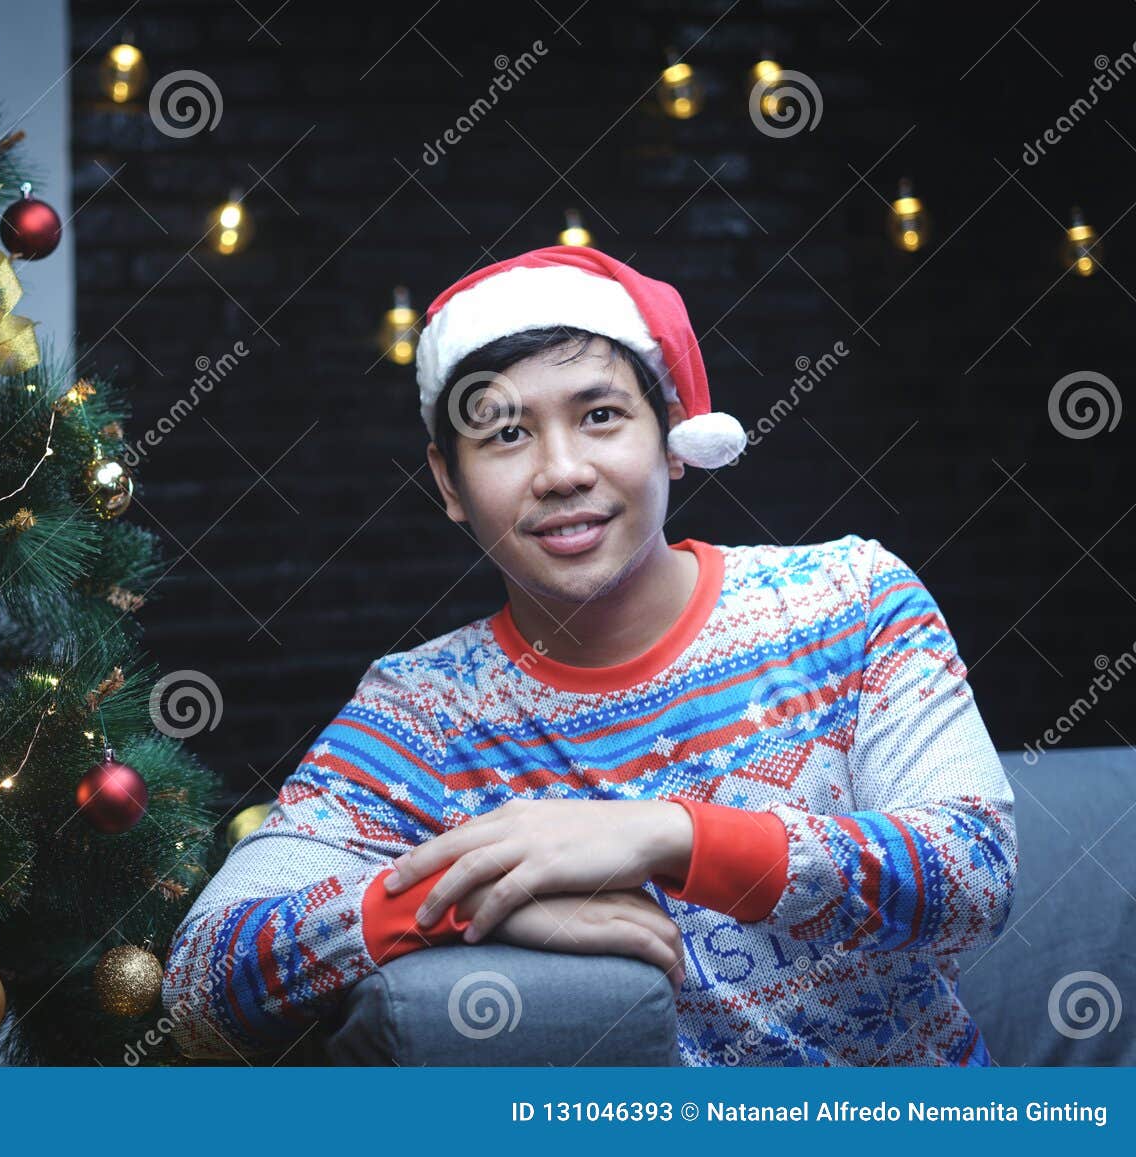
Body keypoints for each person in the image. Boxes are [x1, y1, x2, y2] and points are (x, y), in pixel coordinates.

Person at [160, 245, 1017, 1066]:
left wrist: (664, 836)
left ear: (673, 434)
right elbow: (200, 981)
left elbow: (976, 870)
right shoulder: (422, 713)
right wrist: (466, 901)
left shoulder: (851, 599)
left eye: (600, 415)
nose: (561, 470)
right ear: (450, 483)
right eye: (504, 434)